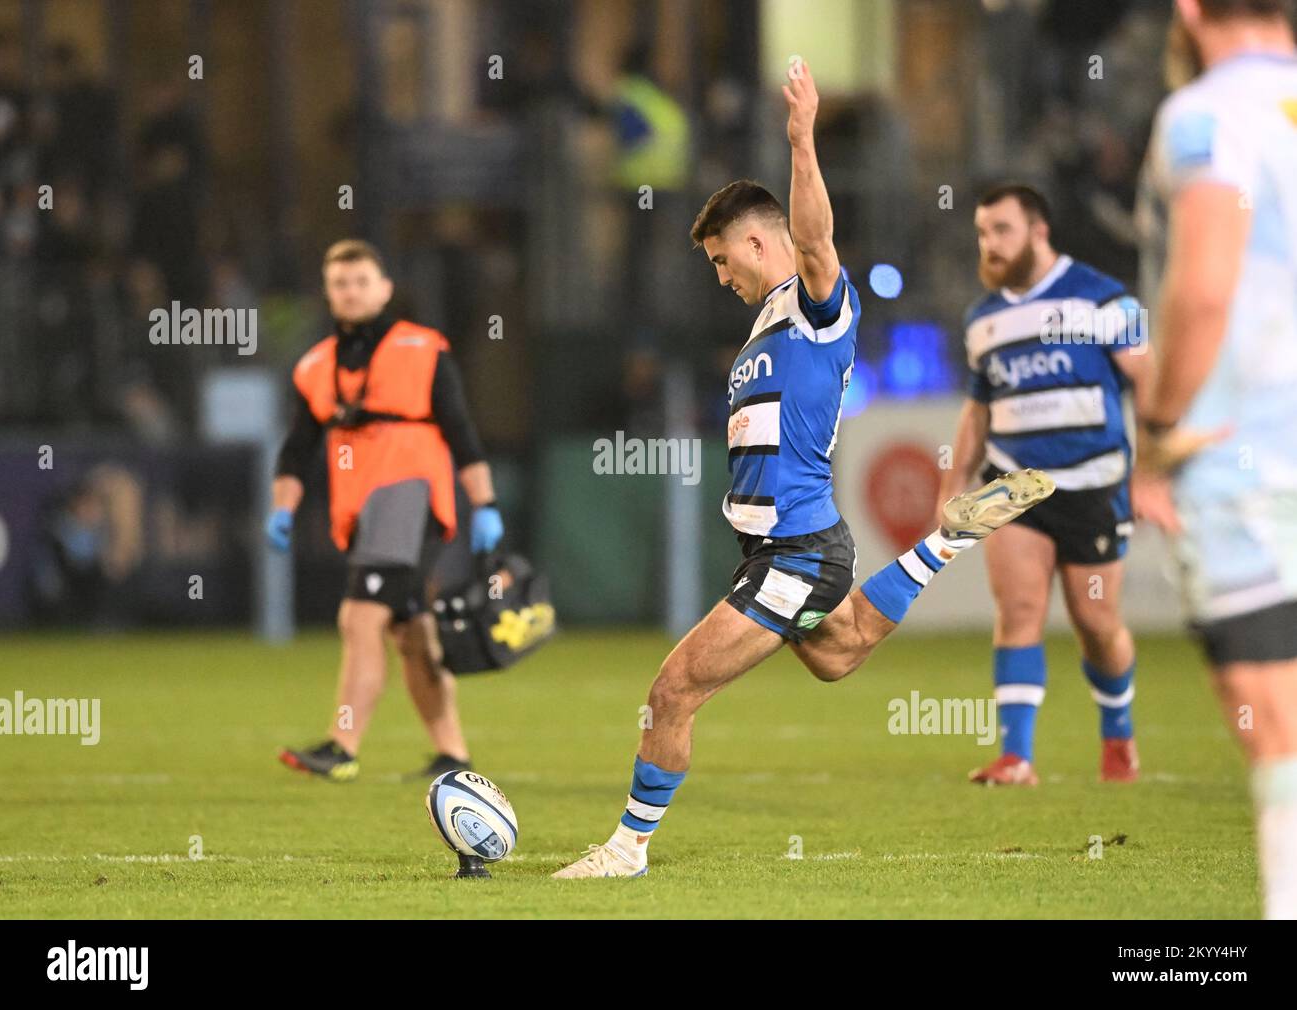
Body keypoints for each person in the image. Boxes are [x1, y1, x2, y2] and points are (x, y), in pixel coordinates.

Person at [552, 62, 1055, 879]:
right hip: (783, 549)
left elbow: (815, 237)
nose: (722, 277)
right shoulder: (764, 329)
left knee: (673, 689)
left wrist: (800, 136)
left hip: (797, 551)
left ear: (758, 240)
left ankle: (626, 849)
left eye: (723, 259)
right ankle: (947, 541)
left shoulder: (816, 305)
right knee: (839, 651)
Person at [1135, 0, 1297, 918]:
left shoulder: (1206, 115)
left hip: (1250, 464)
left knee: (1274, 719)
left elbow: (1200, 290)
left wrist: (1156, 435)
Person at [940, 183, 1152, 786]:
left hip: (1095, 483)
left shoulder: (1106, 298)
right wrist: (954, 480)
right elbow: (978, 408)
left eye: (1002, 230)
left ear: (1038, 231)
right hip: (1013, 487)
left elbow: (1151, 378)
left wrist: (1157, 464)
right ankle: (1017, 757)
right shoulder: (982, 319)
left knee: (1097, 624)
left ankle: (1117, 736)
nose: (990, 244)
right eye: (982, 233)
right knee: (1019, 609)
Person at [271, 239, 504, 782]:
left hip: (409, 496)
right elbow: (297, 448)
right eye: (339, 284)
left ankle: (342, 745)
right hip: (360, 507)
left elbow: (461, 433)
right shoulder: (315, 366)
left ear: (384, 289)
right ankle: (454, 755)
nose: (350, 293)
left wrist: (485, 504)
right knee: (409, 631)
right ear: (328, 293)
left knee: (359, 617)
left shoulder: (423, 349)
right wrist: (283, 508)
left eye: (360, 282)